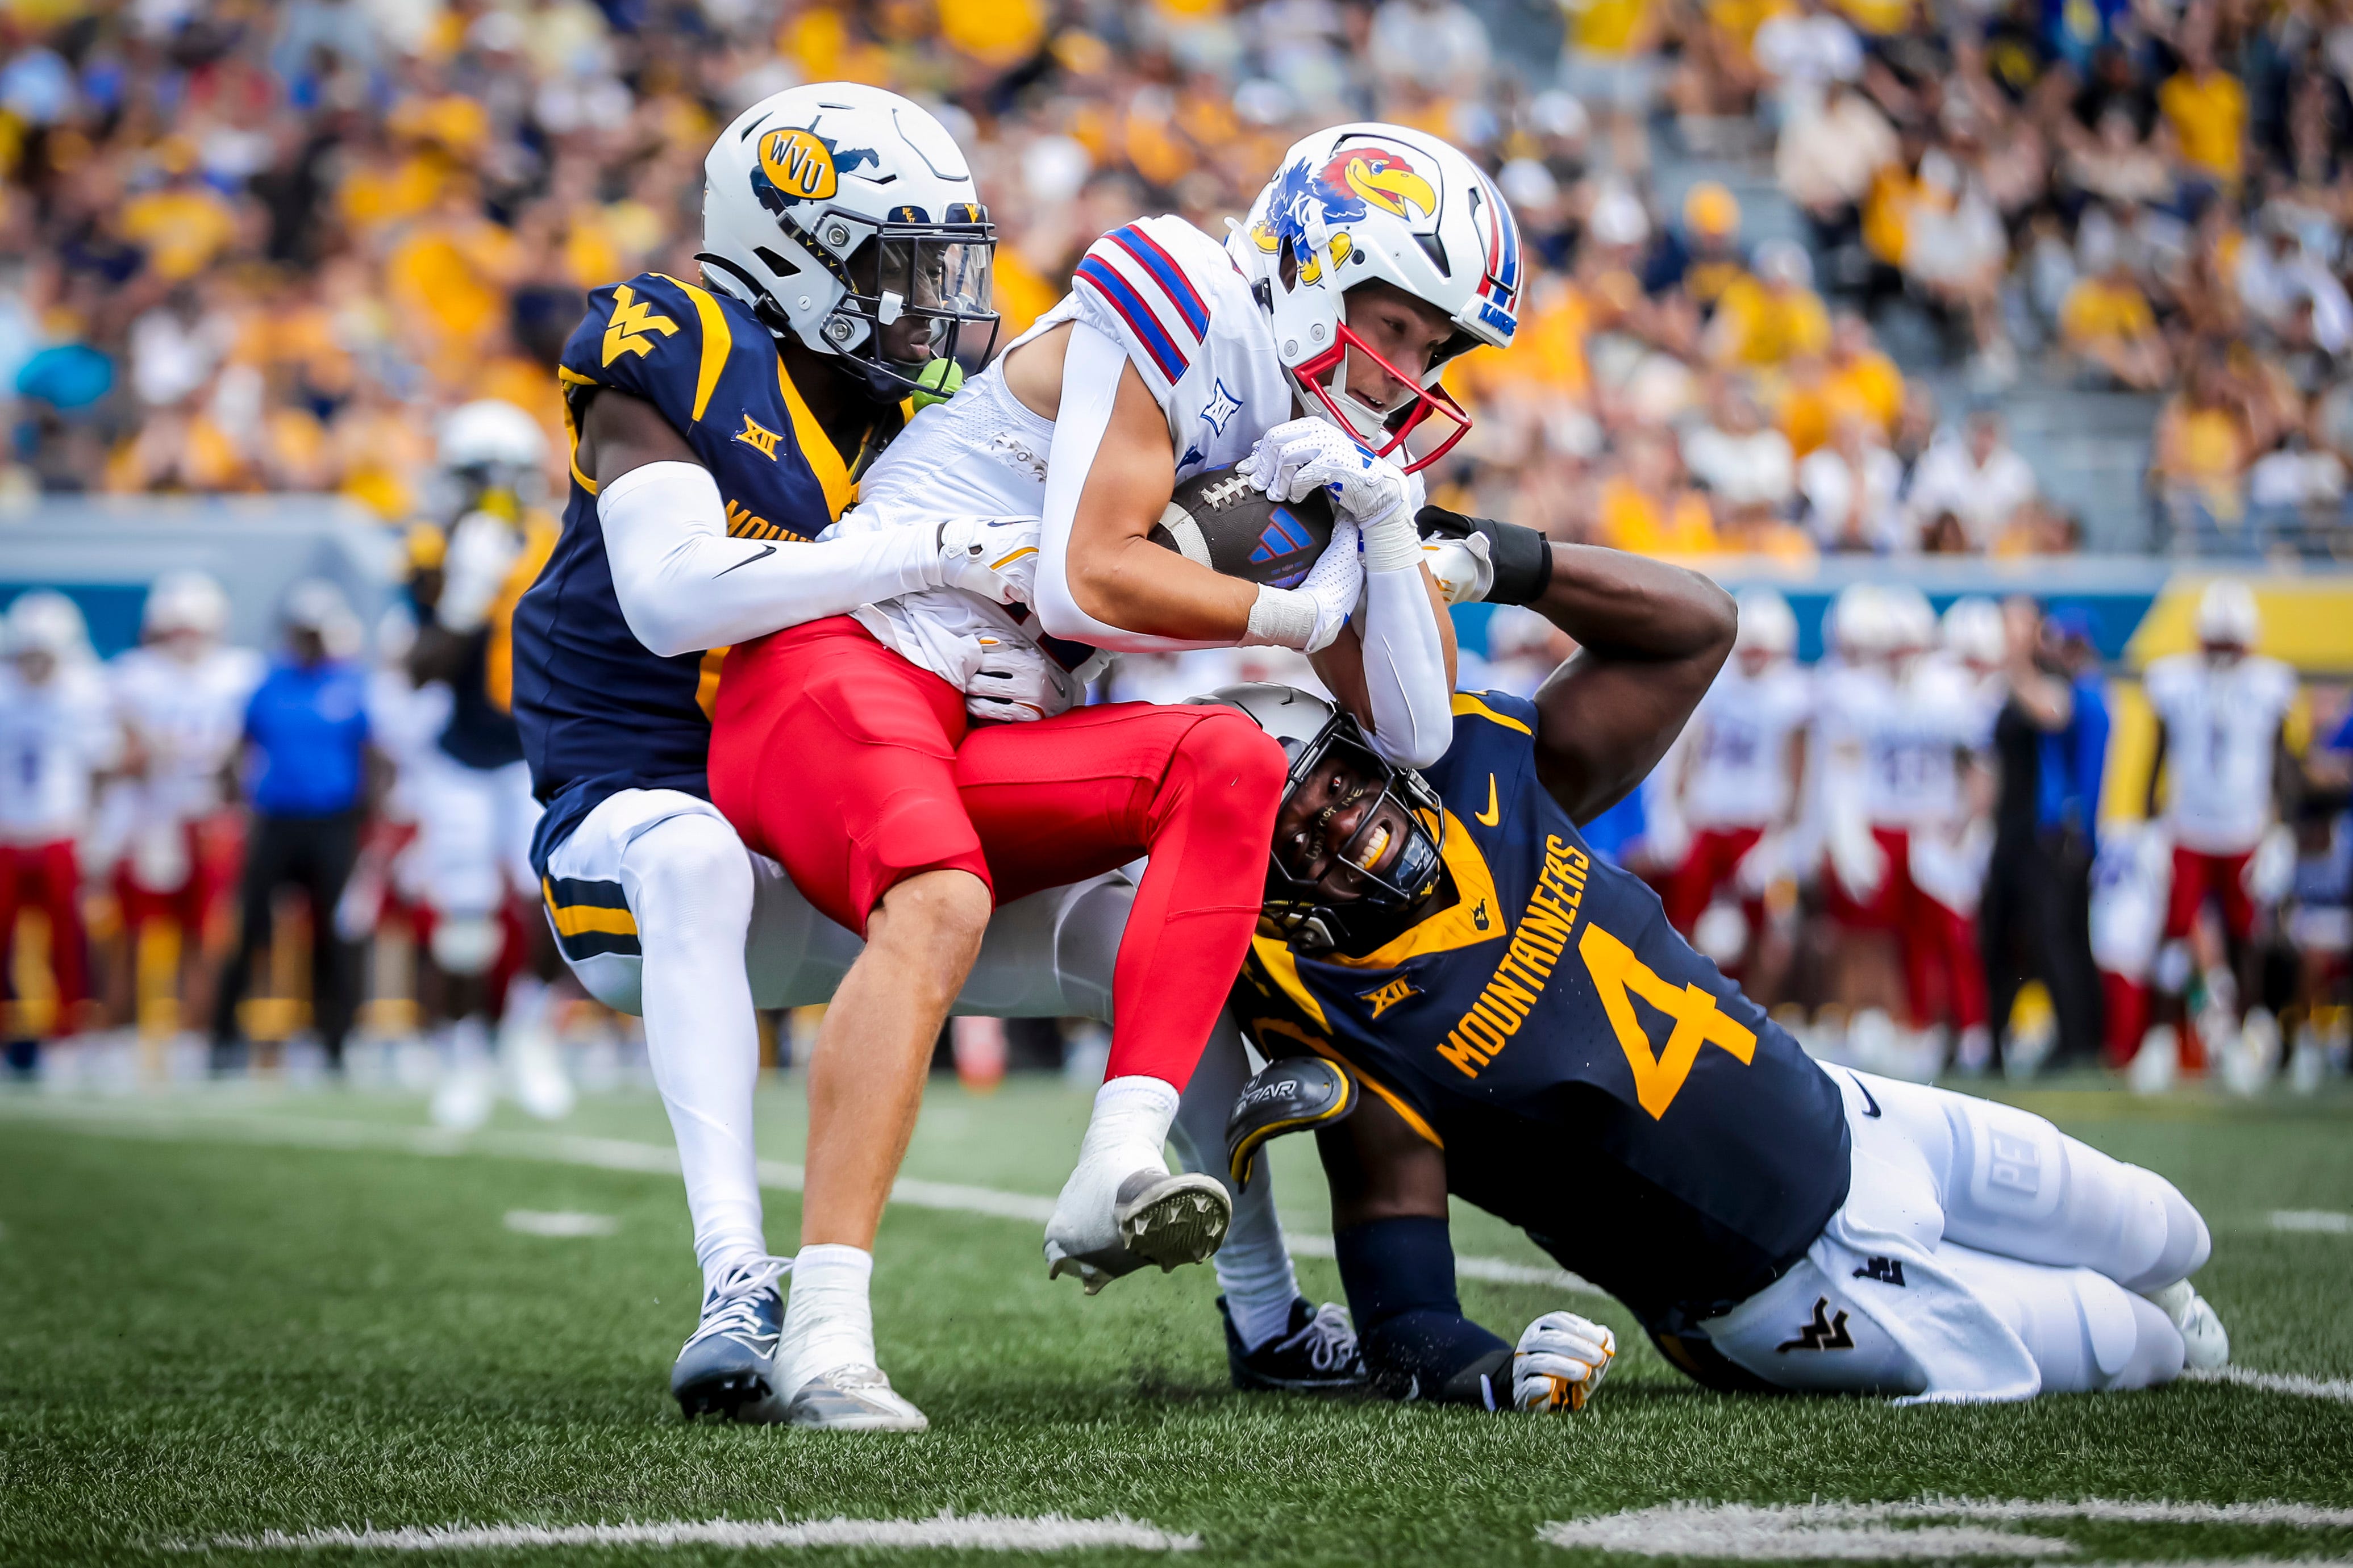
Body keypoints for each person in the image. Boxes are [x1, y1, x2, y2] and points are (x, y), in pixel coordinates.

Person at [699, 120, 1488, 1419]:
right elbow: (1084, 576)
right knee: (941, 896)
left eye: (1432, 349)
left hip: (975, 730)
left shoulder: (1336, 440)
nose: (1406, 372)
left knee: (1226, 761)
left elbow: (1415, 729)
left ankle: (1122, 1165)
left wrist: (1387, 527)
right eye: (1395, 326)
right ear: (1311, 263)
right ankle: (823, 1330)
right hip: (844, 661)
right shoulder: (1187, 289)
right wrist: (1297, 614)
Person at [1190, 527, 2229, 1408]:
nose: (1341, 830)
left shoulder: (1482, 775)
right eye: (1296, 838)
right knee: (2136, 1346)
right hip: (1778, 1296)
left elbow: (1696, 626)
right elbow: (1402, 1311)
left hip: (1859, 1118)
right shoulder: (1335, 1011)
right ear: (1265, 884)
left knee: (2162, 1230)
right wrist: (1494, 1376)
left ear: (1367, 748)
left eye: (1334, 786)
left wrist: (1490, 555)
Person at [511, 84, 1022, 1431]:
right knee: (691, 860)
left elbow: (1012, 587)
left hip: (823, 792)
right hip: (646, 789)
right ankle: (737, 1279)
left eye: (945, 270)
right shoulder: (676, 337)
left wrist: (1038, 666)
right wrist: (916, 552)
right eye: (902, 267)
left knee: (1128, 891)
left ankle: (1265, 1301)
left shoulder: (917, 415)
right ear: (793, 250)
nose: (935, 305)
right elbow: (672, 597)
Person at [402, 399, 569, 1131]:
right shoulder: (432, 548)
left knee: (553, 902)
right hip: (459, 755)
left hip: (535, 750)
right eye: (483, 478)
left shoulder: (556, 541)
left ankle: (528, 1033)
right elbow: (420, 670)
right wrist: (465, 600)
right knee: (463, 917)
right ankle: (465, 1053)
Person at [213, 582, 372, 1074]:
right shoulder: (270, 683)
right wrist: (233, 801)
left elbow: (374, 754)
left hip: (333, 822)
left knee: (336, 932)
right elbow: (239, 746)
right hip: (277, 820)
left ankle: (336, 1040)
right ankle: (224, 1036)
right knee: (251, 926)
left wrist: (370, 822)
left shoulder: (349, 684)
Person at [2139, 580, 2298, 1075]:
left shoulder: (2269, 685)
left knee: (2246, 938)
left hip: (2244, 829)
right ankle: (2161, 1038)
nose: (2224, 653)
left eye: (2231, 643)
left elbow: (2279, 761)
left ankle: (2244, 1038)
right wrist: (2149, 823)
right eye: (2217, 642)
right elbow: (2157, 755)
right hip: (2188, 828)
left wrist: (2282, 828)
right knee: (2172, 934)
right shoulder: (2174, 681)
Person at [104, 572, 262, 1039]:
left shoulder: (241, 673)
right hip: (150, 819)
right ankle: (120, 1030)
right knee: (133, 933)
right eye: (179, 628)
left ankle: (201, 1030)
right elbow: (113, 756)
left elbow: (253, 754)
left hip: (213, 821)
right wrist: (144, 754)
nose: (187, 639)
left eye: (196, 628)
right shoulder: (133, 677)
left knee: (210, 934)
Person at [1979, 601, 2108, 1072]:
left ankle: (2078, 1042)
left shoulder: (2054, 682)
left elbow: (2053, 712)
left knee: (2054, 939)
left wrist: (2013, 666)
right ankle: (1993, 1042)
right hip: (2009, 829)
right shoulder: (2008, 686)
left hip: (2045, 833)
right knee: (1997, 939)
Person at [1660, 586, 1810, 987]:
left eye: (1762, 650)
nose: (1753, 658)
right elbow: (1690, 750)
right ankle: (1687, 1005)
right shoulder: (1715, 684)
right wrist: (1676, 811)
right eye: (1748, 649)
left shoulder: (1792, 693)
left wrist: (1782, 837)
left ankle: (1759, 1013)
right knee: (1683, 925)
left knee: (1772, 931)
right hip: (1709, 820)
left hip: (1759, 826)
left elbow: (1799, 769)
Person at [0, 592, 118, 1054]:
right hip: (7, 829)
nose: (35, 664)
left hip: (60, 827)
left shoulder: (85, 692)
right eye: (27, 653)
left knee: (69, 936)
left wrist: (98, 830)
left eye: (44, 653)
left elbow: (101, 768)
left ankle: (70, 1026)